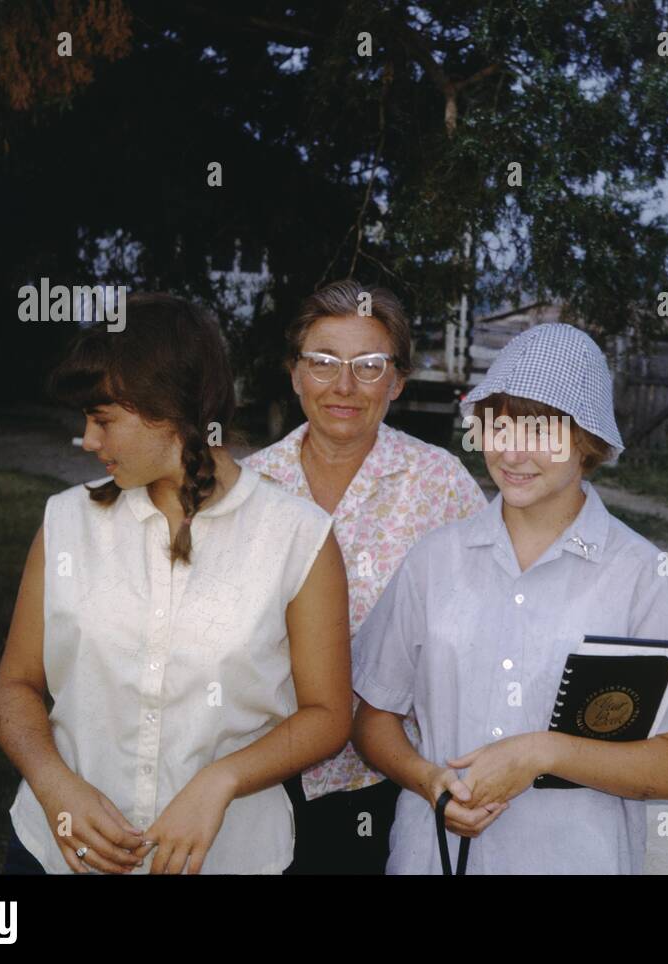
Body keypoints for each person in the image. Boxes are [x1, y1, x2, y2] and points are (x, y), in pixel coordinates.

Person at [0, 293, 350, 874]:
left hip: (228, 857)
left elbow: (328, 714)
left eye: (103, 419)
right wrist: (55, 786)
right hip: (56, 855)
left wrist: (222, 780)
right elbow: (15, 688)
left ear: (170, 409)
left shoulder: (297, 538)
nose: (87, 440)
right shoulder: (64, 523)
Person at [351, 322, 668, 874]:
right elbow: (372, 720)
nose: (514, 452)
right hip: (435, 859)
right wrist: (429, 783)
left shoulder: (643, 575)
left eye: (543, 430)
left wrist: (544, 752)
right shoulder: (435, 560)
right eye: (500, 427)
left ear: (586, 441)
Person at [242, 280, 486, 874]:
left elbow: (485, 628)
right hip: (255, 778)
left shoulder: (441, 486)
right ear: (295, 374)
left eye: (369, 366)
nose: (343, 386)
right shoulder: (247, 488)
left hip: (385, 786)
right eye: (323, 363)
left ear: (398, 380)